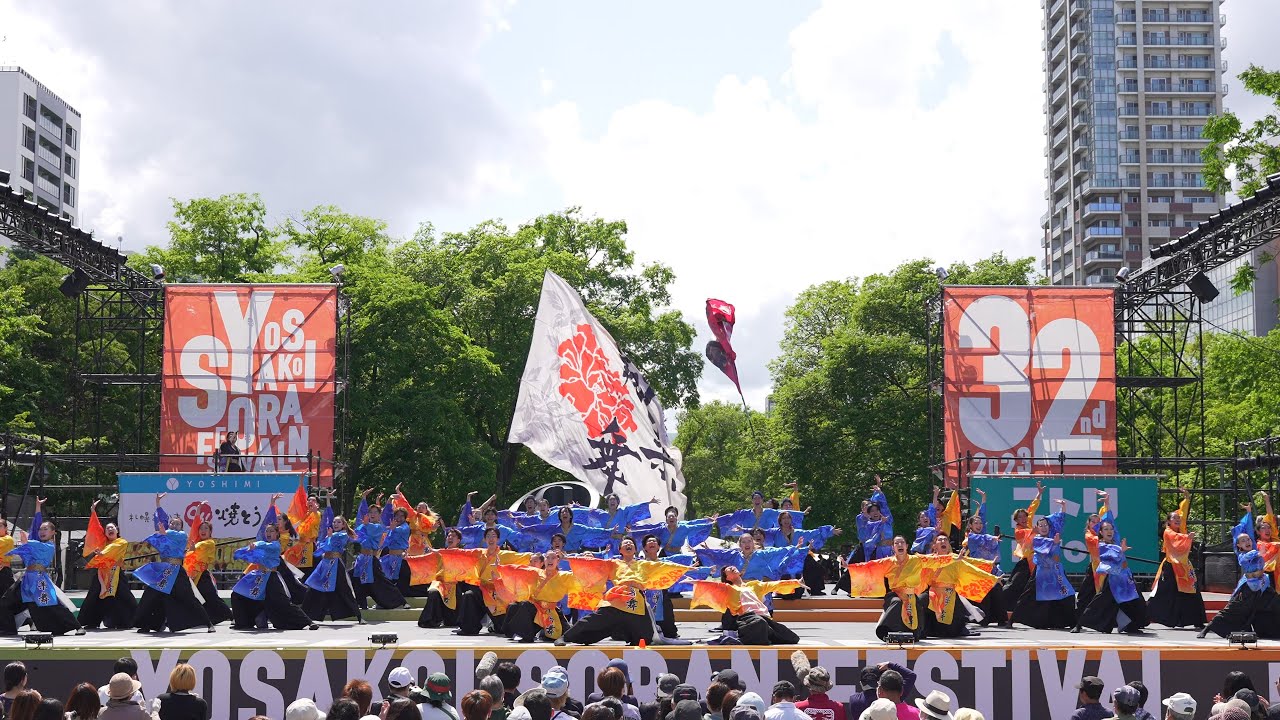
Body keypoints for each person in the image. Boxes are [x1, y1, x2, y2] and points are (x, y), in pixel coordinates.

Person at [230, 498, 319, 630]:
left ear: (277, 533)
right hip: (258, 576)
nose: (268, 533)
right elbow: (251, 555)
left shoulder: (275, 545)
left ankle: (308, 621)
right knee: (238, 594)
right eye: (267, 531)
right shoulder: (263, 546)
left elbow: (263, 545)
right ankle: (243, 622)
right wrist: (240, 553)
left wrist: (255, 545)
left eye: (271, 531)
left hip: (271, 577)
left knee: (282, 602)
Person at [132, 494, 215, 634]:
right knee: (151, 595)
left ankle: (208, 623)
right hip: (164, 571)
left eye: (178, 523)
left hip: (177, 572)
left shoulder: (181, 536)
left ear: (181, 527)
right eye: (172, 523)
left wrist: (165, 532)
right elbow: (160, 523)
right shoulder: (165, 534)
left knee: (188, 598)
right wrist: (158, 503)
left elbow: (168, 533)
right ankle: (148, 624)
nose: (174, 525)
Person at [0, 498, 84, 636]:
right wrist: (37, 508)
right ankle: (8, 629)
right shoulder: (36, 542)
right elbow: (34, 529)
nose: (42, 531)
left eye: (46, 529)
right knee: (5, 602)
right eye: (41, 529)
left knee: (52, 605)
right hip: (26, 580)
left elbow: (34, 544)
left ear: (53, 532)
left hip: (39, 580)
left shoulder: (48, 546)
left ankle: (76, 626)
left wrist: (27, 542)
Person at [1075, 494, 1149, 635]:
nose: (1109, 530)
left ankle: (1133, 623)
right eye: (1095, 523)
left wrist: (1107, 503)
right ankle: (1080, 623)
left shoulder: (1113, 539)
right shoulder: (1095, 540)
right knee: (1094, 599)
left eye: (1110, 529)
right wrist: (1120, 551)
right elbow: (1108, 554)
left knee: (1133, 599)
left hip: (1122, 575)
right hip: (1101, 572)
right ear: (1097, 530)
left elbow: (1109, 521)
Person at [1199, 529, 1280, 639]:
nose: (1247, 542)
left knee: (1275, 603)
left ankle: (1271, 630)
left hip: (1262, 586)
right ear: (1238, 545)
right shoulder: (1242, 555)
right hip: (1248, 588)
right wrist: (1259, 553)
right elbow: (1247, 558)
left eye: (1248, 539)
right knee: (1231, 610)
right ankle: (1208, 628)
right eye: (1243, 541)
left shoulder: (1257, 552)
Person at [1010, 499, 1077, 629]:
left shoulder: (1052, 534)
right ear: (1037, 528)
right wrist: (1054, 543)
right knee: (1027, 596)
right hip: (1040, 572)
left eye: (1046, 525)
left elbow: (1059, 520)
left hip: (1056, 570)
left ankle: (1074, 623)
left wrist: (1063, 507)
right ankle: (1012, 620)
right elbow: (1042, 548)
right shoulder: (1036, 538)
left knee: (1068, 594)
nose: (1044, 527)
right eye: (1041, 526)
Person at [691, 566, 801, 644]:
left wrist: (796, 582)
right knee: (759, 623)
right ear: (727, 577)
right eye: (728, 570)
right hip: (747, 620)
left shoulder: (754, 586)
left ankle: (764, 636)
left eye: (732, 567)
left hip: (766, 619)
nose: (731, 568)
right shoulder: (729, 589)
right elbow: (713, 586)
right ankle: (743, 639)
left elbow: (774, 585)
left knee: (792, 638)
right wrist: (695, 582)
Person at [1148, 486, 1207, 630]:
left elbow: (1183, 514)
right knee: (1164, 593)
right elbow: (1177, 541)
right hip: (1171, 567)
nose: (1178, 519)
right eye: (1174, 518)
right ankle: (1147, 615)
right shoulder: (1168, 532)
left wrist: (1187, 499)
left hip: (1184, 566)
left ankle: (1196, 620)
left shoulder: (1180, 529)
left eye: (1178, 518)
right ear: (1168, 522)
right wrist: (1188, 538)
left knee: (1191, 592)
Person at [78, 501, 138, 630]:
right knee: (94, 597)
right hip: (101, 574)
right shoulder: (103, 542)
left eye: (112, 528)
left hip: (116, 574)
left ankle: (129, 621)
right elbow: (96, 528)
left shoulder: (121, 542)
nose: (110, 529)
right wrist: (93, 512)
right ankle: (91, 621)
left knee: (123, 598)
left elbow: (111, 551)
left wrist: (102, 553)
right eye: (107, 529)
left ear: (117, 530)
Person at [352, 490, 408, 610]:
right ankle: (361, 604)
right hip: (362, 559)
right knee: (357, 580)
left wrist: (389, 500)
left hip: (371, 560)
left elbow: (371, 529)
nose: (372, 514)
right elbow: (357, 533)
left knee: (382, 582)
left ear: (379, 515)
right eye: (370, 512)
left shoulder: (378, 527)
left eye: (375, 512)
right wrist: (363, 498)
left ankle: (400, 601)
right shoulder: (366, 525)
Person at [303, 511, 362, 623]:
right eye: (334, 522)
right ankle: (306, 616)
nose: (336, 524)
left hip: (335, 564)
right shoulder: (330, 535)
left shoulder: (343, 535)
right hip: (325, 563)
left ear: (343, 525)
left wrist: (328, 538)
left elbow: (330, 545)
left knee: (344, 589)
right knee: (314, 588)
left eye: (339, 522)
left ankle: (358, 615)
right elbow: (322, 547)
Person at [960, 489, 1004, 626]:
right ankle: (983, 619)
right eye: (976, 523)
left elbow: (983, 517)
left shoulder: (983, 533)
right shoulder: (971, 537)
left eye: (980, 523)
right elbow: (983, 538)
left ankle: (1001, 619)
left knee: (997, 592)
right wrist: (993, 538)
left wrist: (984, 499)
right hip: (978, 570)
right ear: (970, 526)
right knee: (983, 595)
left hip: (990, 569)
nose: (979, 525)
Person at [1001, 480, 1045, 614]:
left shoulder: (1029, 522)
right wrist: (1034, 532)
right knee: (1015, 586)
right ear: (1016, 520)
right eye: (1020, 517)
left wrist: (1039, 494)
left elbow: (1032, 508)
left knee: (1033, 587)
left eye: (1024, 516)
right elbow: (1027, 534)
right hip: (1026, 562)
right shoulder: (1019, 530)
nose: (1023, 519)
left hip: (1036, 561)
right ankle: (1003, 608)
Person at [182, 513, 233, 625]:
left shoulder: (209, 543)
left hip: (203, 575)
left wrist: (192, 550)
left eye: (206, 528)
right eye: (201, 528)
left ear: (210, 532)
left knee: (210, 596)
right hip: (194, 575)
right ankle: (207, 617)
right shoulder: (198, 543)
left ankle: (230, 615)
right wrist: (198, 511)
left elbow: (198, 549)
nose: (203, 530)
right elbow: (194, 536)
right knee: (200, 597)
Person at [847, 664, 914, 720]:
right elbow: (911, 675)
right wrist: (890, 664)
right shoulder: (893, 697)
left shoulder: (853, 699)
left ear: (861, 683)